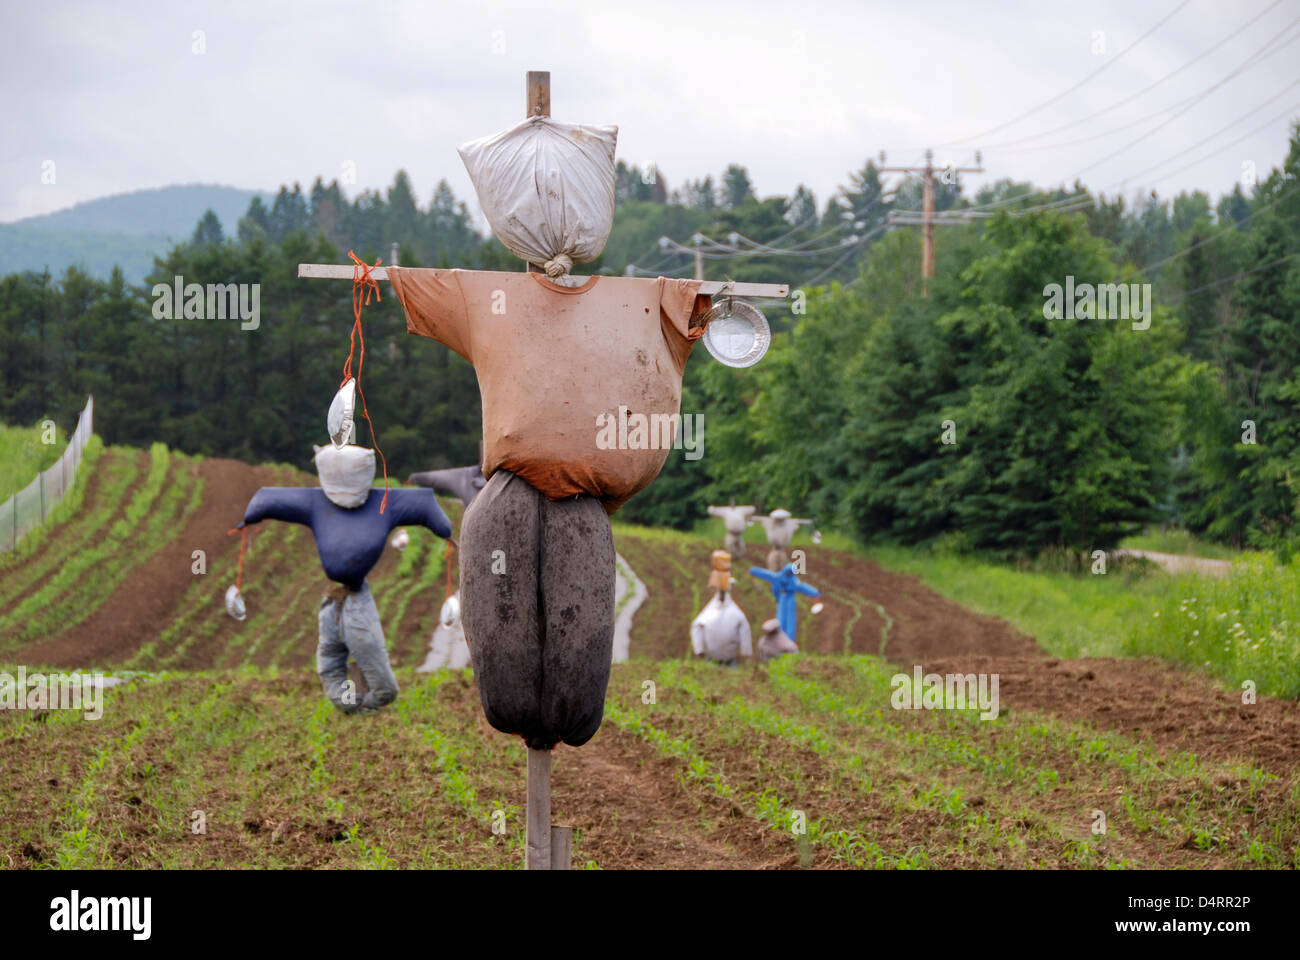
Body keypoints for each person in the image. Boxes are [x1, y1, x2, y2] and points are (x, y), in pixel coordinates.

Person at [236, 442, 451, 713]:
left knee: (368, 680)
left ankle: (360, 708)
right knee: (333, 667)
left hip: (355, 603)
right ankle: (356, 709)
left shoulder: (383, 503)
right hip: (334, 601)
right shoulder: (321, 502)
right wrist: (250, 517)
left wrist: (445, 530)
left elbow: (426, 506)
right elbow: (266, 500)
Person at [691, 550, 752, 667]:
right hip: (716, 659)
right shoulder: (733, 613)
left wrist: (699, 650)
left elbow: (696, 626)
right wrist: (746, 651)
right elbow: (696, 626)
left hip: (725, 659)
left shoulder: (732, 613)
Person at [749, 562, 820, 646]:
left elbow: (766, 574)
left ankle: (781, 642)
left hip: (783, 599)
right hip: (788, 600)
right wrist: (815, 593)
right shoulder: (793, 581)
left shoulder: (778, 577)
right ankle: (788, 644)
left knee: (782, 621)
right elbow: (803, 587)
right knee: (789, 622)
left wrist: (753, 571)